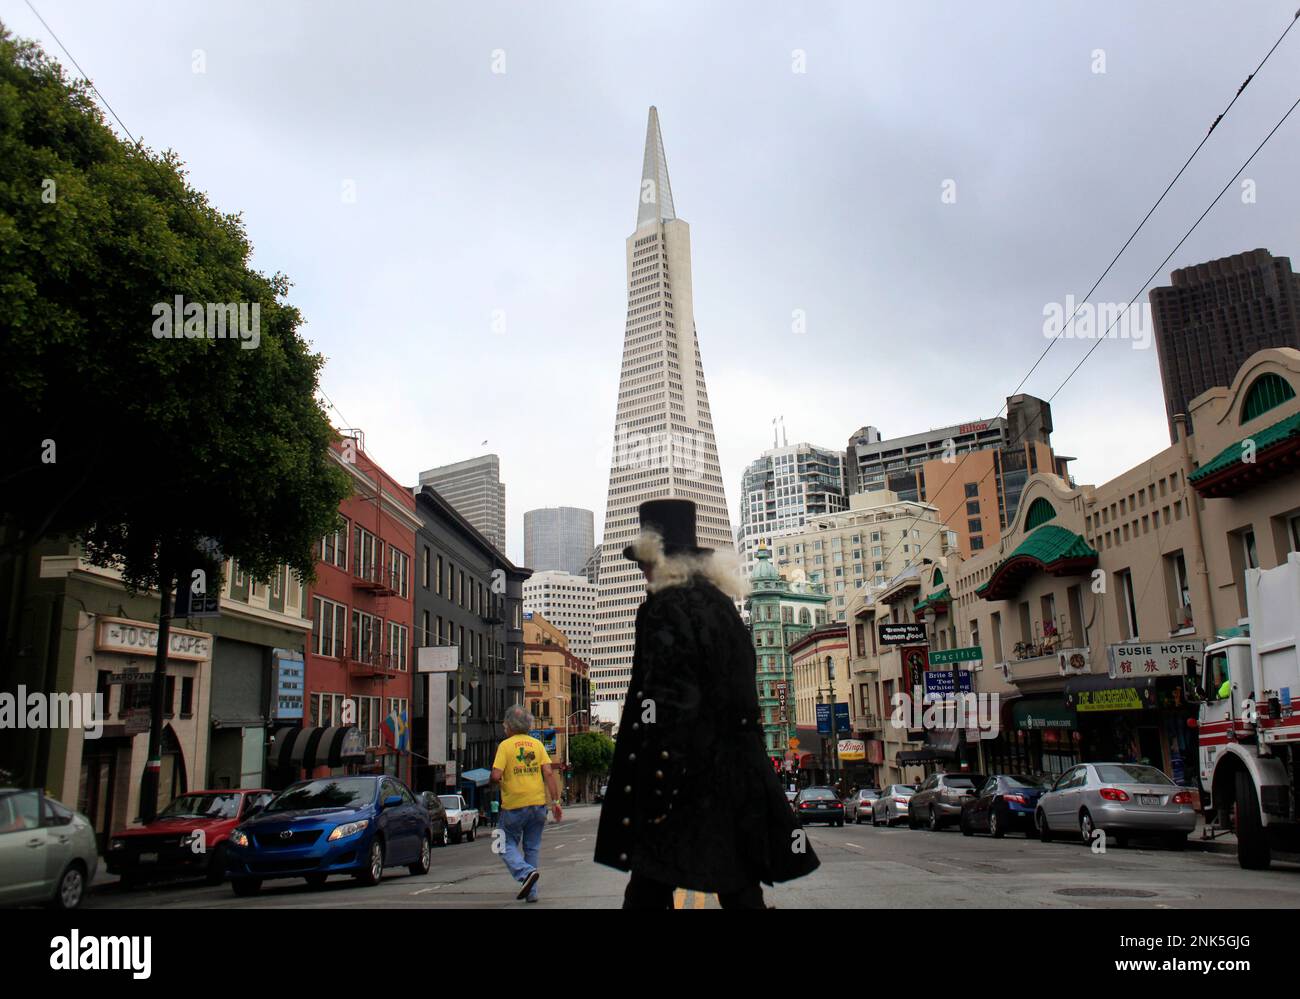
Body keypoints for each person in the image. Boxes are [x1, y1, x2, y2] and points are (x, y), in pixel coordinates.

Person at [593, 499, 821, 908]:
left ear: (661, 561)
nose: (642, 573)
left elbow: (669, 703)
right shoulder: (722, 608)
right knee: (734, 884)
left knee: (651, 885)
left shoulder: (665, 608)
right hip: (734, 777)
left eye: (645, 563)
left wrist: (658, 786)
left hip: (686, 782)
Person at [491, 704, 562, 902]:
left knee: (503, 843)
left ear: (511, 726)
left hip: (514, 804)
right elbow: (548, 773)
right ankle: (532, 892)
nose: (504, 728)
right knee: (532, 847)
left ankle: (525, 873)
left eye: (505, 725)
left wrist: (496, 780)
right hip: (538, 804)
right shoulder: (537, 744)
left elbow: (496, 775)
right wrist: (555, 802)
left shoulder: (505, 746)